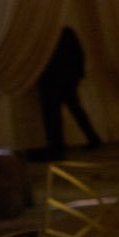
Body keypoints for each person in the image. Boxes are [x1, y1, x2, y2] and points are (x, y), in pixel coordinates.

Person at [35, 25, 100, 160]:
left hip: (53, 78)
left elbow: (78, 53)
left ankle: (57, 147)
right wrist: (78, 74)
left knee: (53, 114)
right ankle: (92, 138)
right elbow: (79, 53)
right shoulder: (64, 33)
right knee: (74, 109)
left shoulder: (44, 34)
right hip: (66, 77)